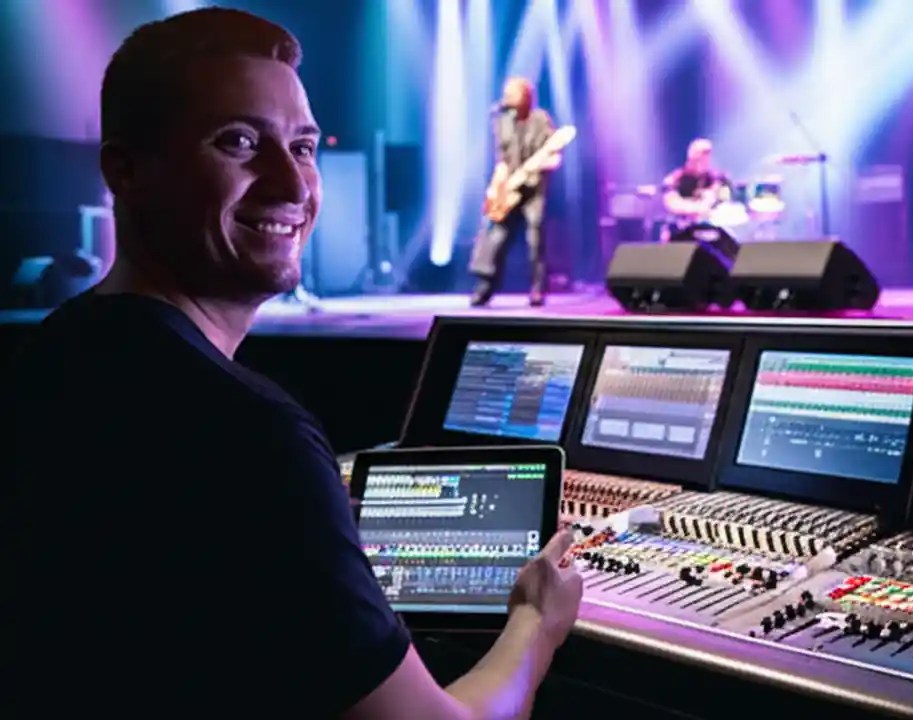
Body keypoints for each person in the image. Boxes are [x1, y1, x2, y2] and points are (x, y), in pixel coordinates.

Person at [0, 8, 582, 718]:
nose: (292, 185)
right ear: (125, 170)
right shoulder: (250, 438)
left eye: (303, 147)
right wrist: (538, 621)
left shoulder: (52, 354)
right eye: (239, 142)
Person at [469, 78, 561, 308]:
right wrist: (496, 187)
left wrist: (544, 164)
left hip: (533, 189)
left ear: (526, 96)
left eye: (513, 93)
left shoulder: (541, 120)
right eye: (506, 93)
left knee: (534, 236)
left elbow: (554, 154)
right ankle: (485, 287)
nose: (507, 98)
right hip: (509, 186)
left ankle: (537, 288)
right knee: (495, 237)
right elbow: (501, 158)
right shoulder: (502, 120)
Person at [660, 138, 738, 259]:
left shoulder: (720, 179)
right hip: (681, 232)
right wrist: (696, 207)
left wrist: (715, 196)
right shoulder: (674, 179)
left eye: (706, 155)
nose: (702, 160)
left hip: (714, 231)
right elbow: (671, 203)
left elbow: (726, 200)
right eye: (699, 155)